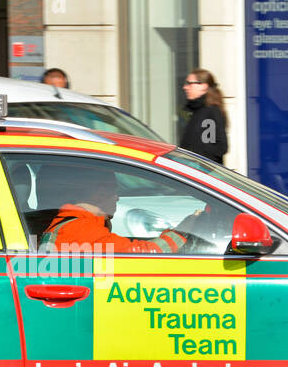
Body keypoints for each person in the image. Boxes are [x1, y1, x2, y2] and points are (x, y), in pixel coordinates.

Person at [40, 167, 202, 254]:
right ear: (101, 192)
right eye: (115, 191)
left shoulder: (71, 224)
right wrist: (184, 230)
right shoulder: (80, 230)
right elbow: (146, 255)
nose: (117, 198)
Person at [179, 69, 228, 164]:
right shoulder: (198, 111)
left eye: (189, 83)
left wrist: (196, 163)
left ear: (203, 86)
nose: (185, 87)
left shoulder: (210, 112)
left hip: (202, 172)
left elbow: (218, 147)